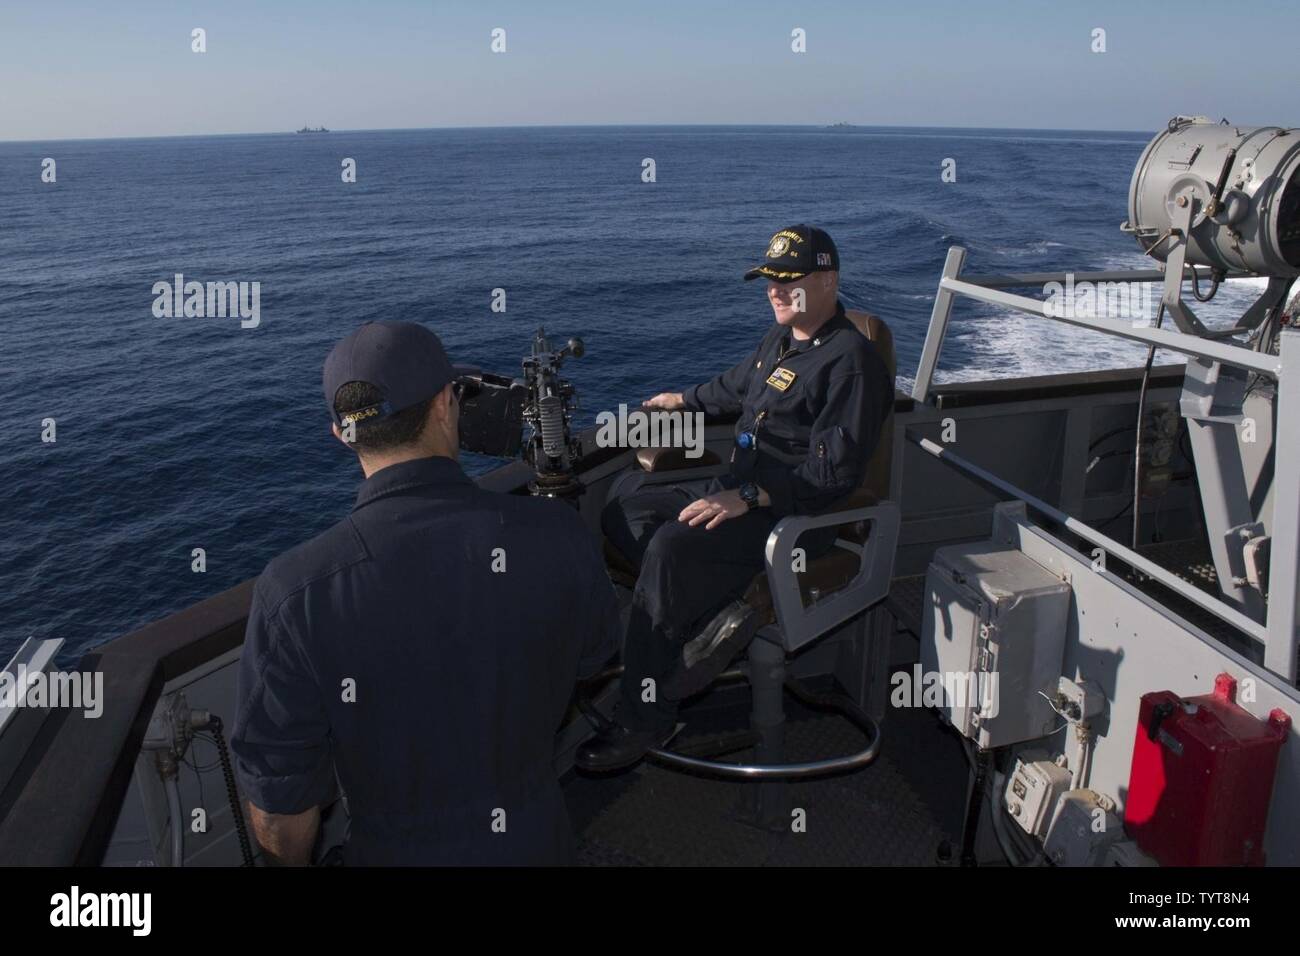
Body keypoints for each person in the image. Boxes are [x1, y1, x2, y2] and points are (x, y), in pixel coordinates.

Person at [231, 320, 618, 864]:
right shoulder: (556, 533)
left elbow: (281, 807)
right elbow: (595, 655)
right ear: (444, 405)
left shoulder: (293, 592)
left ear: (342, 435)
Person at [577, 225, 894, 772]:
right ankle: (708, 621)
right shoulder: (780, 341)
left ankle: (644, 715)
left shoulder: (851, 362)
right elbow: (734, 387)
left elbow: (833, 473)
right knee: (624, 504)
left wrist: (750, 494)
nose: (774, 289)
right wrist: (681, 400)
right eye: (770, 279)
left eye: (788, 279)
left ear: (828, 280)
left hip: (799, 515)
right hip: (745, 491)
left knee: (671, 549)